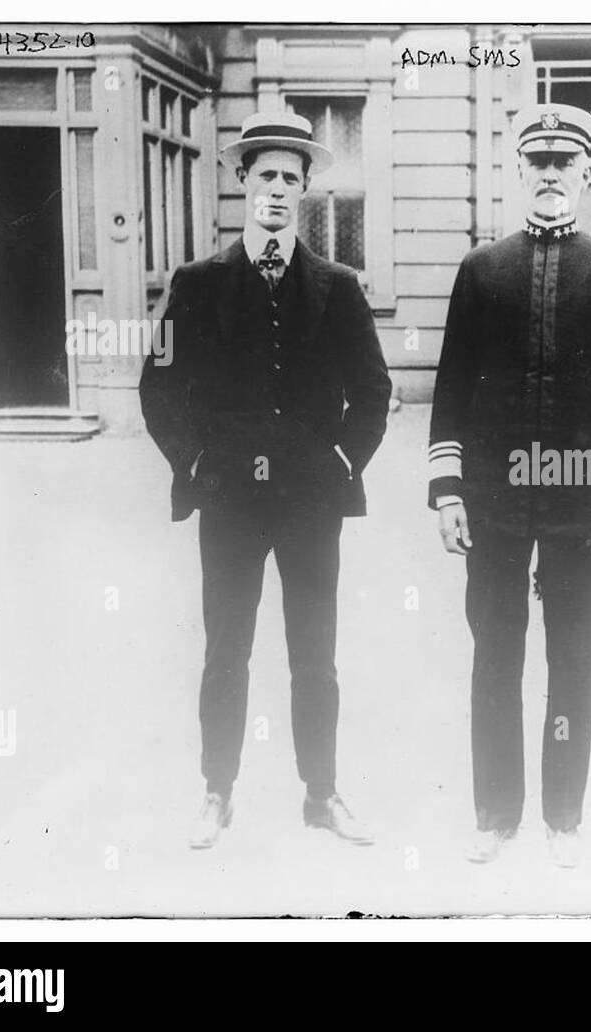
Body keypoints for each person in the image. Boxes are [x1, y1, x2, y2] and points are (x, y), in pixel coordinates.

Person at [140, 112, 392, 850]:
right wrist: (195, 465)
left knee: (315, 655)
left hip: (311, 506)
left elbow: (373, 392)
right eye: (265, 175)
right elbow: (159, 388)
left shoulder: (338, 286)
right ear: (242, 181)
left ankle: (322, 793)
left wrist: (342, 463)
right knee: (226, 651)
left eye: (291, 177)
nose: (277, 190)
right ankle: (216, 792)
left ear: (307, 188)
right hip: (230, 505)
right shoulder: (198, 283)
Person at [428, 103, 591, 868]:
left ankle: (564, 817)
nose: (552, 174)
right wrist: (450, 492)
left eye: (566, 163)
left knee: (574, 656)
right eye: (539, 163)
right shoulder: (481, 271)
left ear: (587, 173)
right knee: (494, 654)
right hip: (493, 503)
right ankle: (495, 815)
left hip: (581, 503)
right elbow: (451, 389)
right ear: (519, 171)